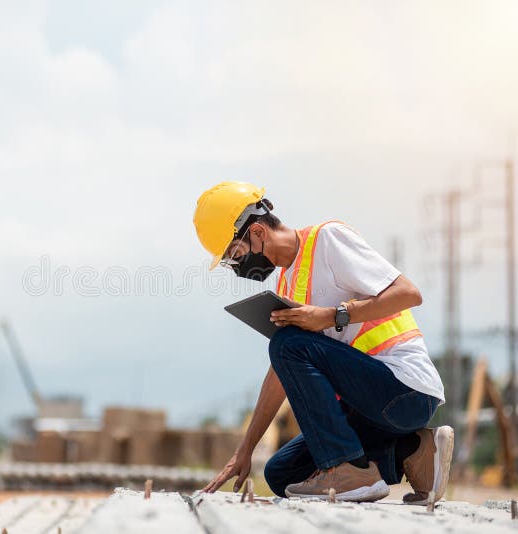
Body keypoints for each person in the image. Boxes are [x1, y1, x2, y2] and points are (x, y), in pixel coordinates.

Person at [193, 181, 453, 503]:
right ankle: (412, 450)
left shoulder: (328, 240)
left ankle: (349, 471)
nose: (236, 267)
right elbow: (280, 371)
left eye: (235, 255)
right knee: (282, 473)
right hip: (371, 409)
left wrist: (332, 316)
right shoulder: (289, 284)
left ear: (258, 232)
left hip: (405, 390)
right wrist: (244, 451)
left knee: (286, 343)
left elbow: (409, 294)